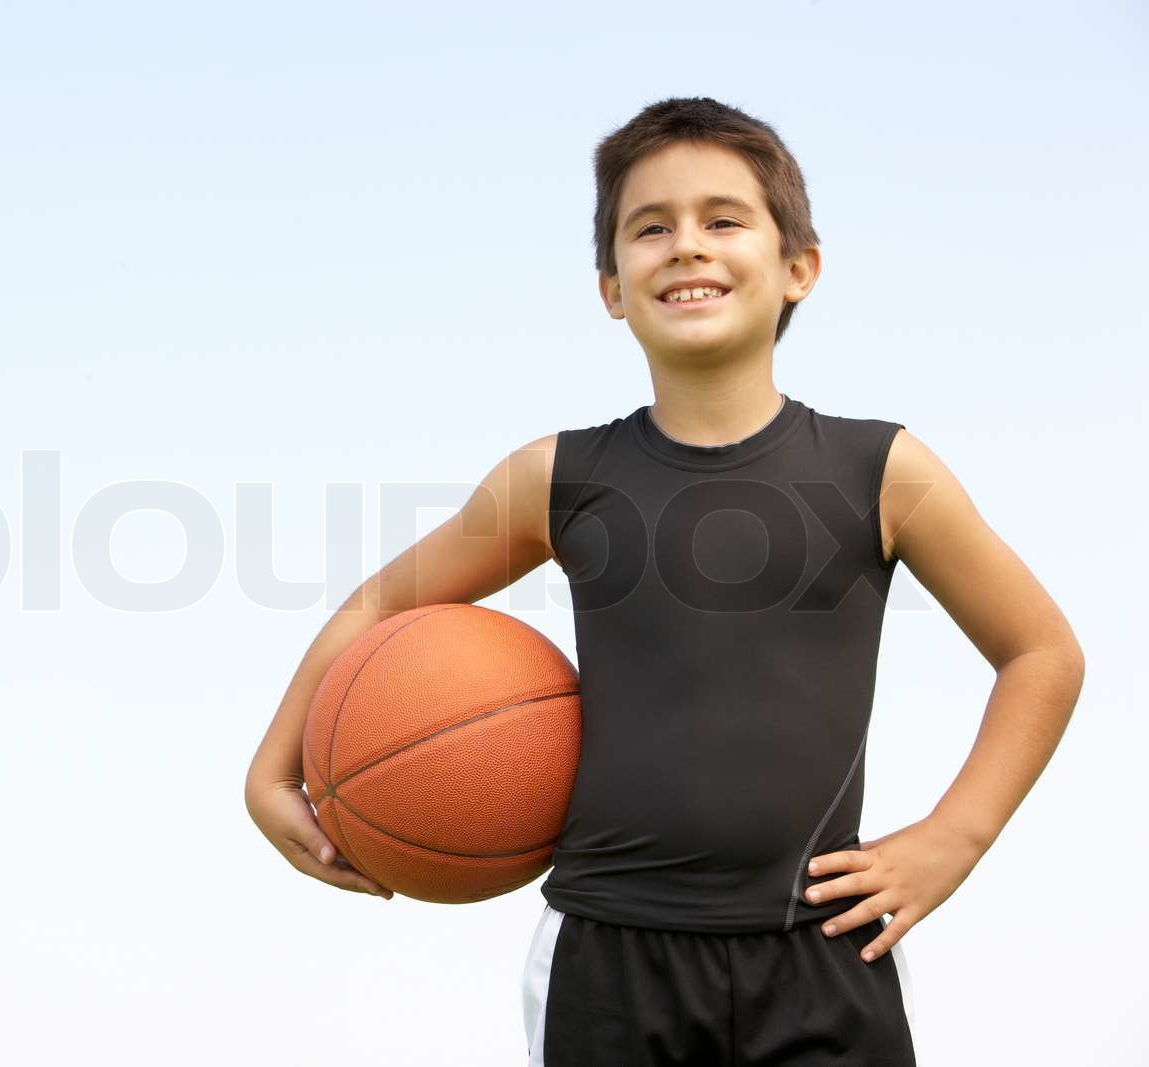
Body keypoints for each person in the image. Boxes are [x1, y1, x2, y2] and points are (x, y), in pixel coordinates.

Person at [244, 96, 1085, 1064]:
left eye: (723, 219)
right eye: (650, 228)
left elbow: (1041, 651)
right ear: (611, 287)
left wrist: (954, 836)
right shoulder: (558, 479)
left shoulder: (881, 471)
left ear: (799, 267)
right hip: (607, 956)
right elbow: (382, 605)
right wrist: (273, 771)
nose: (686, 245)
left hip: (821, 947)